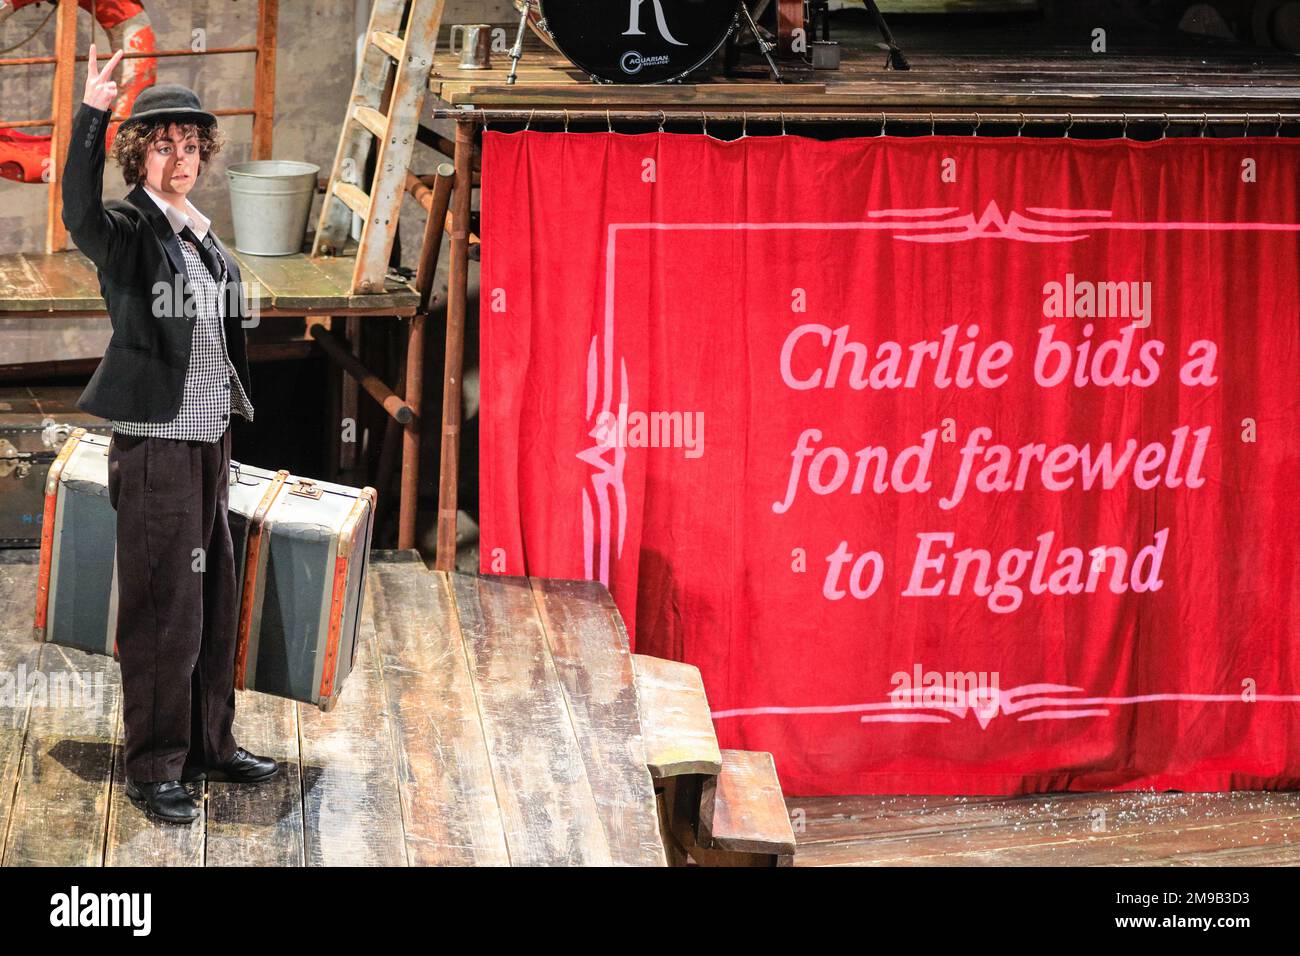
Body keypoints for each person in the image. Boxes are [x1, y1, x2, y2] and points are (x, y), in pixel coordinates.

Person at [62, 45, 276, 824]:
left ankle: (209, 743)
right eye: (163, 143)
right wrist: (93, 109)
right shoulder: (126, 231)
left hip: (208, 442)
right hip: (156, 446)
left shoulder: (199, 235)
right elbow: (76, 215)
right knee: (163, 614)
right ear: (137, 153)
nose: (179, 157)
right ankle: (154, 766)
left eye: (189, 145)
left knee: (214, 600)